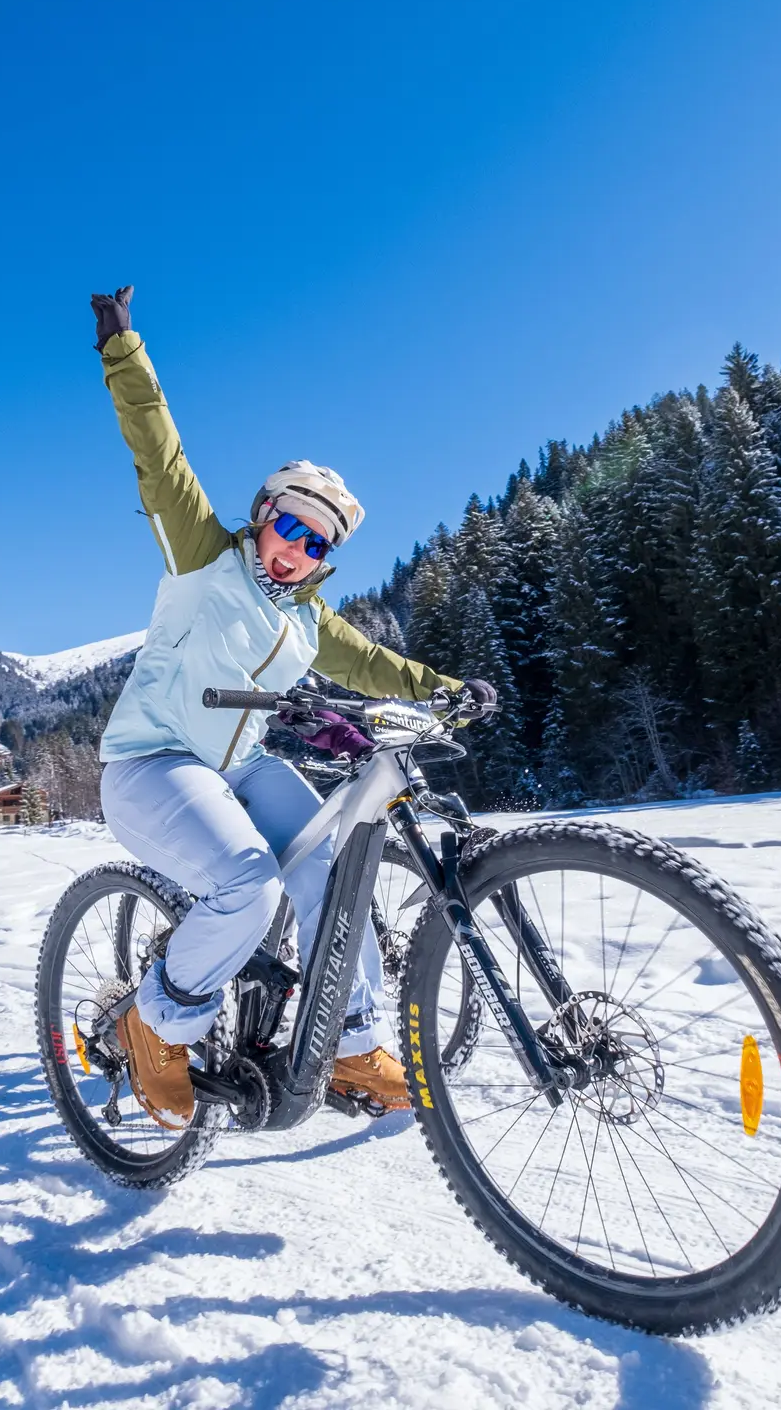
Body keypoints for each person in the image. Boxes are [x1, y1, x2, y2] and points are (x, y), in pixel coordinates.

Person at [88, 285, 497, 1129]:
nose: (298, 550)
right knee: (248, 883)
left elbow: (376, 665)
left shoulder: (308, 619)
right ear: (261, 517)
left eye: (318, 545)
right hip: (154, 761)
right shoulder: (206, 557)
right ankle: (154, 1023)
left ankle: (350, 1042)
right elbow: (159, 458)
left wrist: (446, 690)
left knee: (333, 867)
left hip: (238, 767)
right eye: (290, 528)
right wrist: (124, 350)